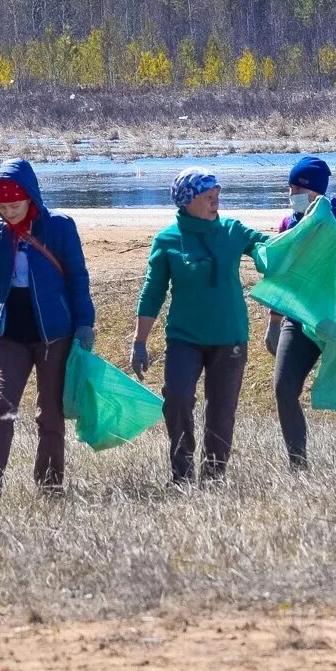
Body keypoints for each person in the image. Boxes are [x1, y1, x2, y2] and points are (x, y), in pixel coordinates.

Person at [0, 159, 96, 498]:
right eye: (2, 206)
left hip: (55, 335)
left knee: (50, 413)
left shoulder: (59, 227)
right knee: (0, 407)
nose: (8, 212)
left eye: (15, 204)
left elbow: (79, 278)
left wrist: (85, 325)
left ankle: (51, 486)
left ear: (32, 198)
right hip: (11, 336)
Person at [133, 168, 269, 484]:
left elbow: (270, 247)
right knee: (177, 399)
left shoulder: (233, 230)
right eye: (208, 197)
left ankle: (213, 477)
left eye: (217, 196)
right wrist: (140, 341)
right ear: (188, 200)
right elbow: (153, 291)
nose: (215, 202)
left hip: (230, 337)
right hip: (184, 338)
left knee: (221, 413)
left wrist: (308, 230)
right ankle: (181, 473)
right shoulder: (167, 240)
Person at [266, 155, 336, 468]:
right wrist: (272, 322)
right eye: (290, 187)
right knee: (284, 389)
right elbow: (279, 275)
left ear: (315, 191)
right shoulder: (288, 224)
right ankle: (297, 466)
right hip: (298, 319)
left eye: (298, 187)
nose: (292, 193)